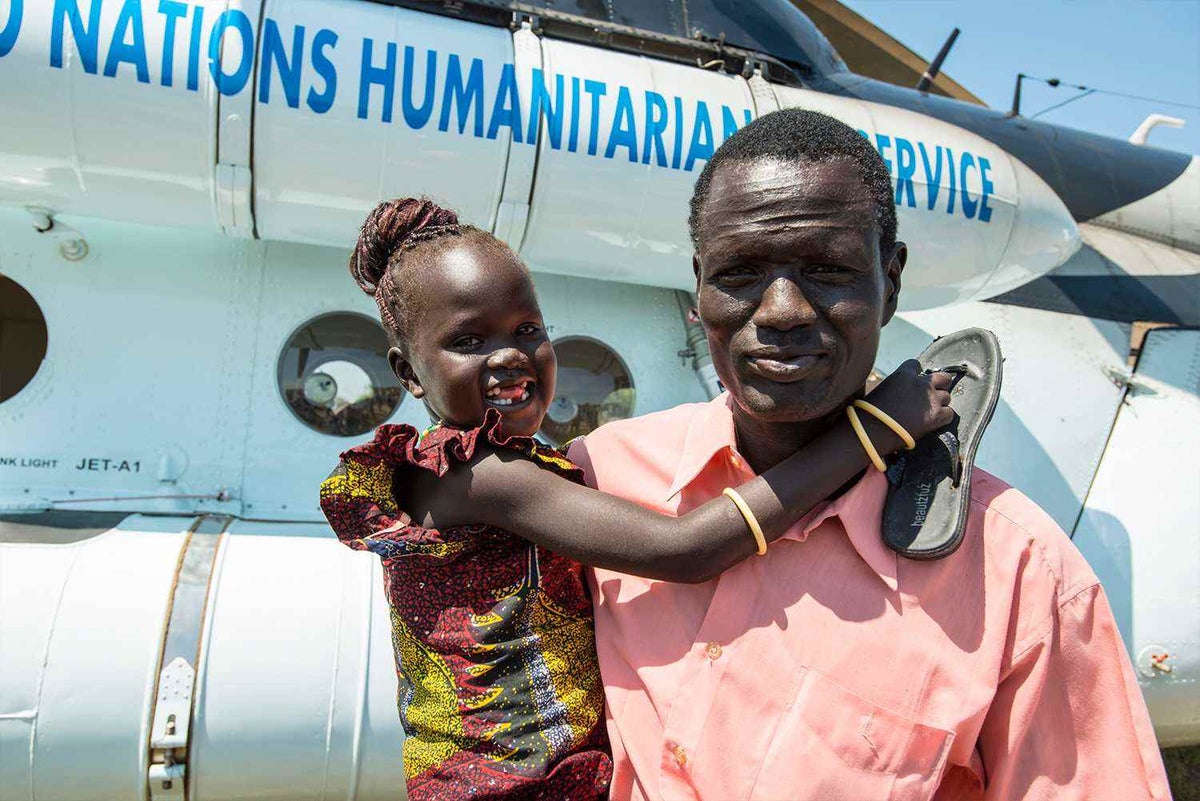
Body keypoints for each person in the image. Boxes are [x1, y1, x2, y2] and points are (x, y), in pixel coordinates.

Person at [567, 108, 1171, 800]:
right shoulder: (601, 479)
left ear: (891, 282)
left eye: (827, 270)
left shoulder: (1019, 573)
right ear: (700, 285)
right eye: (739, 273)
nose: (784, 310)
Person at [319, 197, 957, 800]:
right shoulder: (476, 474)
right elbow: (682, 550)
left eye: (528, 328)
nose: (510, 355)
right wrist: (874, 430)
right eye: (470, 342)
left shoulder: (516, 467)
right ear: (407, 372)